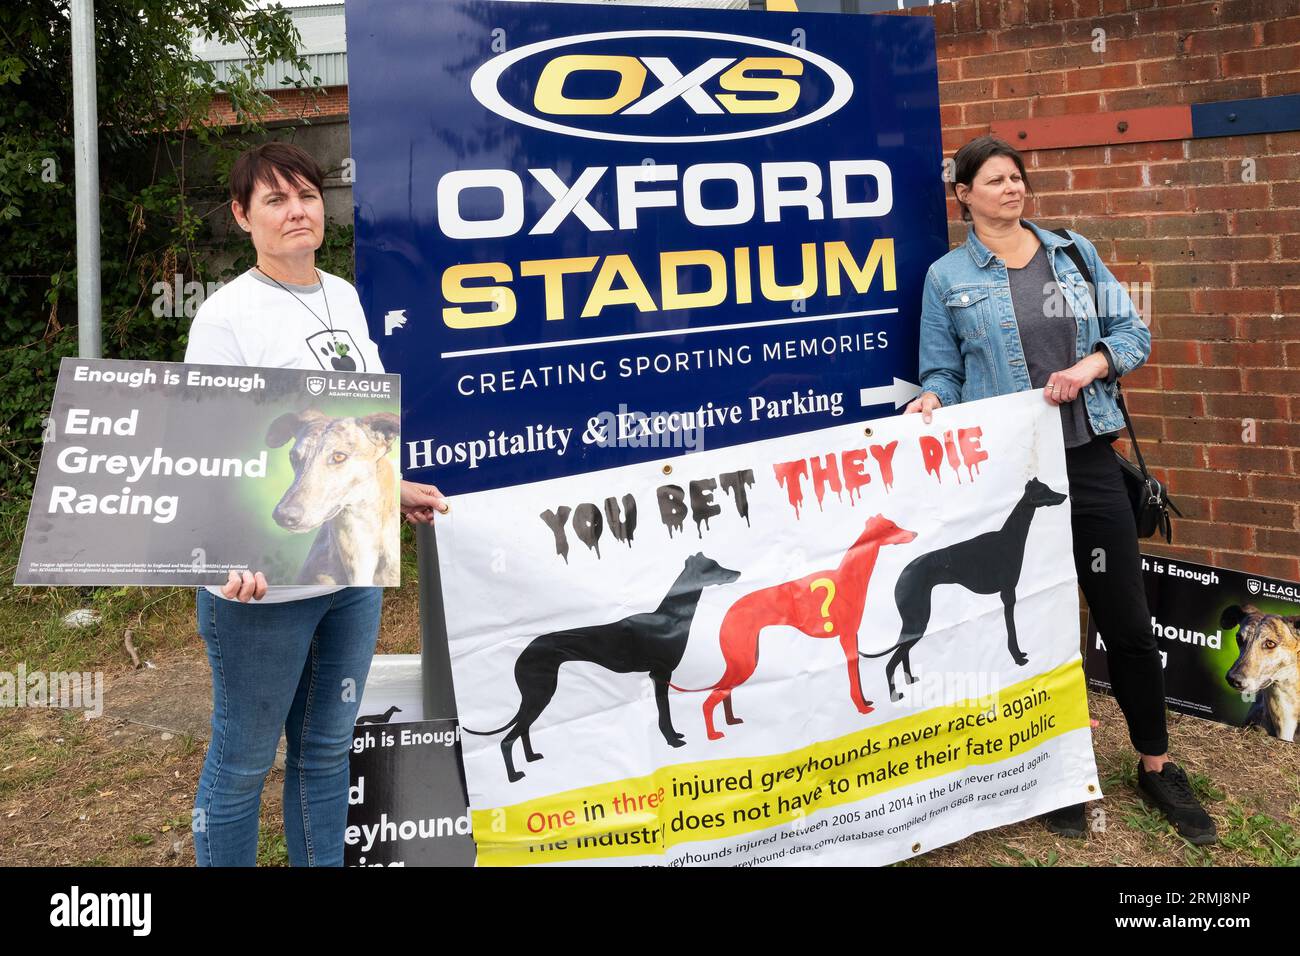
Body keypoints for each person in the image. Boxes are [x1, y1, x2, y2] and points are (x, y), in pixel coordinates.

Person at [904, 135, 1216, 845]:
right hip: (1014, 480)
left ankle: (1156, 765)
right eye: (994, 181)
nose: (1011, 189)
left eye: (1017, 177)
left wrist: (1092, 364)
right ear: (963, 196)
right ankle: (1056, 772)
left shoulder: (1070, 255)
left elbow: (1132, 333)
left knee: (1126, 622)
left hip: (1089, 465)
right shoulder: (948, 277)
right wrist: (930, 399)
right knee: (1039, 632)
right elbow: (942, 372)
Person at [183, 142, 448, 866]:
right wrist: (224, 549)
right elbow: (204, 448)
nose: (296, 210)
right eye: (274, 199)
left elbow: (349, 436)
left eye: (305, 194)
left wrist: (395, 488)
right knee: (241, 764)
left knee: (327, 752)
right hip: (262, 587)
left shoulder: (344, 295)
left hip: (349, 579)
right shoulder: (225, 316)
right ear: (242, 217)